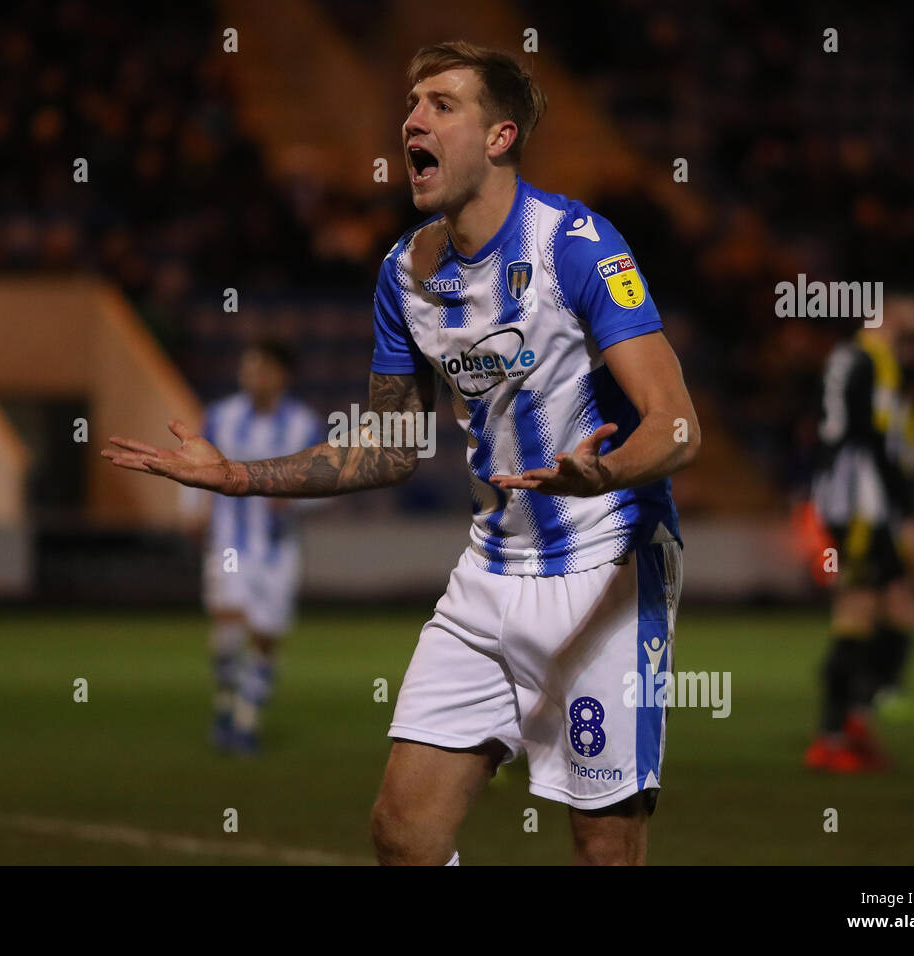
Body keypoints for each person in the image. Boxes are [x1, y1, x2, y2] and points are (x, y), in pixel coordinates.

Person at [103, 41, 700, 865]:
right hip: (490, 574)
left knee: (604, 849)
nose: (413, 121)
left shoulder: (577, 244)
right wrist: (235, 476)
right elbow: (387, 452)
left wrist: (603, 471)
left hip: (606, 567)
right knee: (403, 836)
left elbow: (676, 425)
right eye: (411, 106)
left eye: (441, 105)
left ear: (500, 136)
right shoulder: (405, 275)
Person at [178, 340, 322, 754]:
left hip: (279, 550)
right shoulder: (221, 416)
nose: (252, 374)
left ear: (281, 374)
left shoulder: (302, 424)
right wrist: (192, 509)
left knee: (264, 636)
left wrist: (295, 496)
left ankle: (245, 719)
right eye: (248, 366)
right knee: (229, 625)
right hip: (229, 544)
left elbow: (328, 483)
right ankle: (228, 706)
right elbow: (195, 465)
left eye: (261, 366)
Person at [806, 293, 914, 773]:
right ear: (893, 310)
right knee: (856, 607)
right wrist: (902, 508)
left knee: (894, 600)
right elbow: (874, 439)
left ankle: (855, 717)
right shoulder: (875, 359)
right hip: (859, 499)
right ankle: (831, 736)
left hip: (852, 493)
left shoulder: (852, 355)